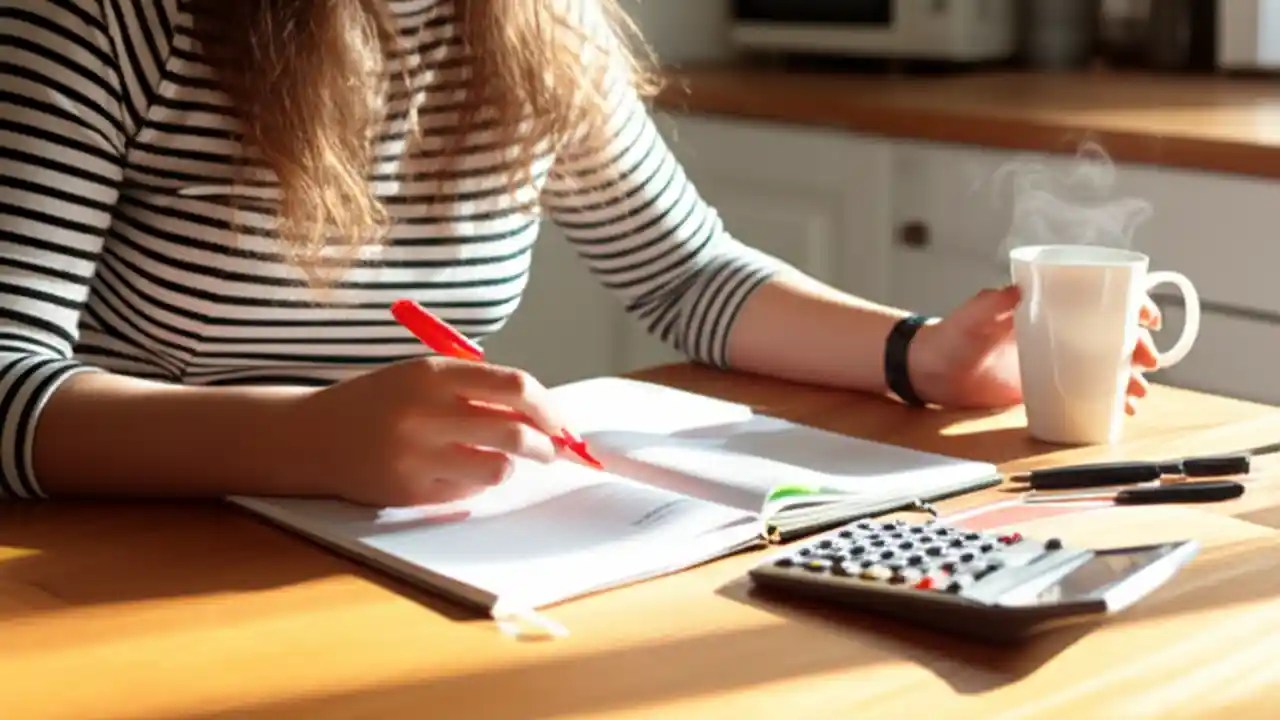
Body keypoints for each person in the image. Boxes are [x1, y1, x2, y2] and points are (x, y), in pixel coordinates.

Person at [0, 0, 1158, 506]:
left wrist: (919, 355)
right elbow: (9, 387)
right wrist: (302, 439)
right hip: (126, 557)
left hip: (407, 546)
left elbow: (683, 271)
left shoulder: (531, 25)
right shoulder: (107, 20)